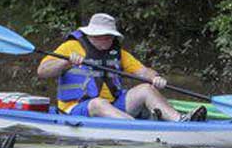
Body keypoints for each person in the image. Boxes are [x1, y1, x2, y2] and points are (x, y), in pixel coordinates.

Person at [37, 13, 203, 121]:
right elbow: (42, 71)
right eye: (104, 36)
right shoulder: (71, 47)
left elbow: (143, 71)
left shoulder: (117, 52)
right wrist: (66, 62)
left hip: (114, 106)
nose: (109, 40)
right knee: (98, 103)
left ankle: (180, 120)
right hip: (76, 109)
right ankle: (134, 126)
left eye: (110, 36)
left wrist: (155, 77)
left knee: (145, 89)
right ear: (92, 35)